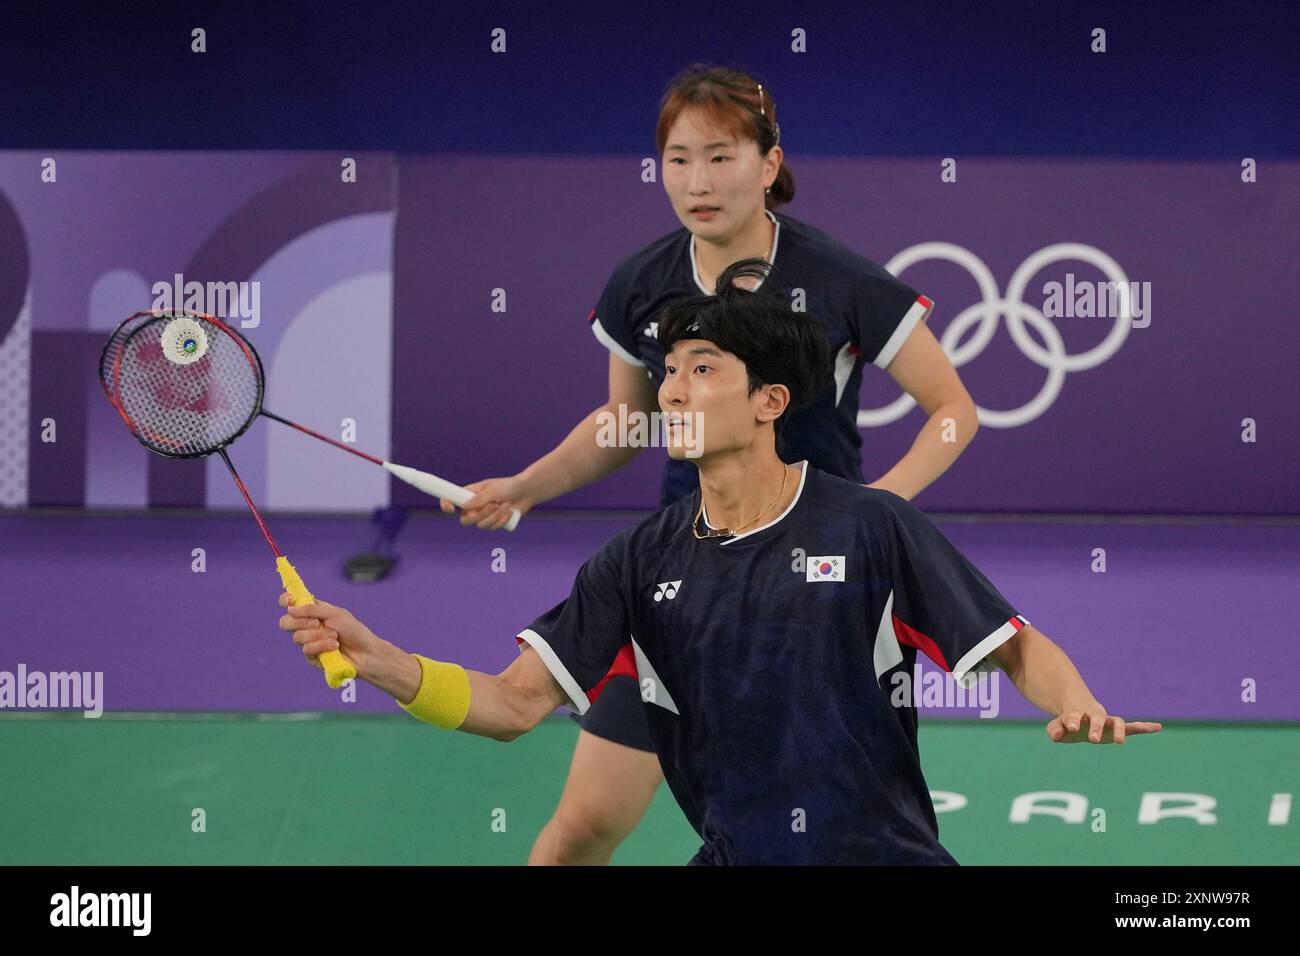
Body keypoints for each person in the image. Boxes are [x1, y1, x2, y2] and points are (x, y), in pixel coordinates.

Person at [279, 258, 1162, 866]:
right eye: (669, 370)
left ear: (769, 401)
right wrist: (378, 659)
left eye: (704, 368)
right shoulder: (636, 561)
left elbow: (1012, 646)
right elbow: (513, 704)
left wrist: (1075, 698)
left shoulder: (870, 526)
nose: (672, 389)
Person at [438, 65, 983, 865]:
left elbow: (953, 411)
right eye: (680, 158)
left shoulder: (842, 281)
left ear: (768, 165)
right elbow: (626, 423)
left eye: (722, 157)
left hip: (818, 584)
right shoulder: (641, 283)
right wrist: (526, 486)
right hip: (684, 580)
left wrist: (880, 514)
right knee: (583, 827)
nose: (699, 181)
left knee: (828, 823)